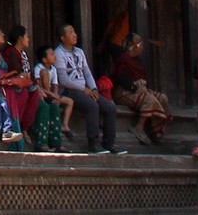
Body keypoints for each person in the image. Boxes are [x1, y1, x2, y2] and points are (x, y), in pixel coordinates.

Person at [53, 24, 119, 154]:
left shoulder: (79, 52)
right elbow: (63, 80)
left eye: (74, 31)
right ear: (62, 38)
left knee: (110, 108)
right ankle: (93, 143)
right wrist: (84, 89)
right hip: (69, 90)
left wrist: (93, 88)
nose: (74, 35)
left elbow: (87, 73)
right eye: (70, 32)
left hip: (84, 89)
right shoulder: (58, 53)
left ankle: (109, 143)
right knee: (92, 106)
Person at [111, 32, 172, 145]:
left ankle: (157, 130)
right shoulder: (123, 59)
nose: (142, 47)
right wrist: (135, 88)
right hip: (124, 92)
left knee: (162, 98)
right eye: (140, 45)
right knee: (149, 99)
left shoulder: (137, 60)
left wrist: (143, 87)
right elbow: (122, 79)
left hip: (141, 90)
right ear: (134, 46)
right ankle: (138, 128)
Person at [0, 24, 38, 138]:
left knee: (30, 92)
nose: (2, 34)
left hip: (8, 82)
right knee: (22, 94)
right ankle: (13, 128)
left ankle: (21, 128)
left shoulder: (1, 53)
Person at [33, 43, 72, 143]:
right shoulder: (38, 68)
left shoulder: (53, 69)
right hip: (43, 92)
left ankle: (65, 125)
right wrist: (52, 95)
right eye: (51, 54)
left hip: (50, 93)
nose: (54, 56)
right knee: (44, 72)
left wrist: (55, 95)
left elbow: (55, 85)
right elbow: (38, 85)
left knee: (69, 101)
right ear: (44, 59)